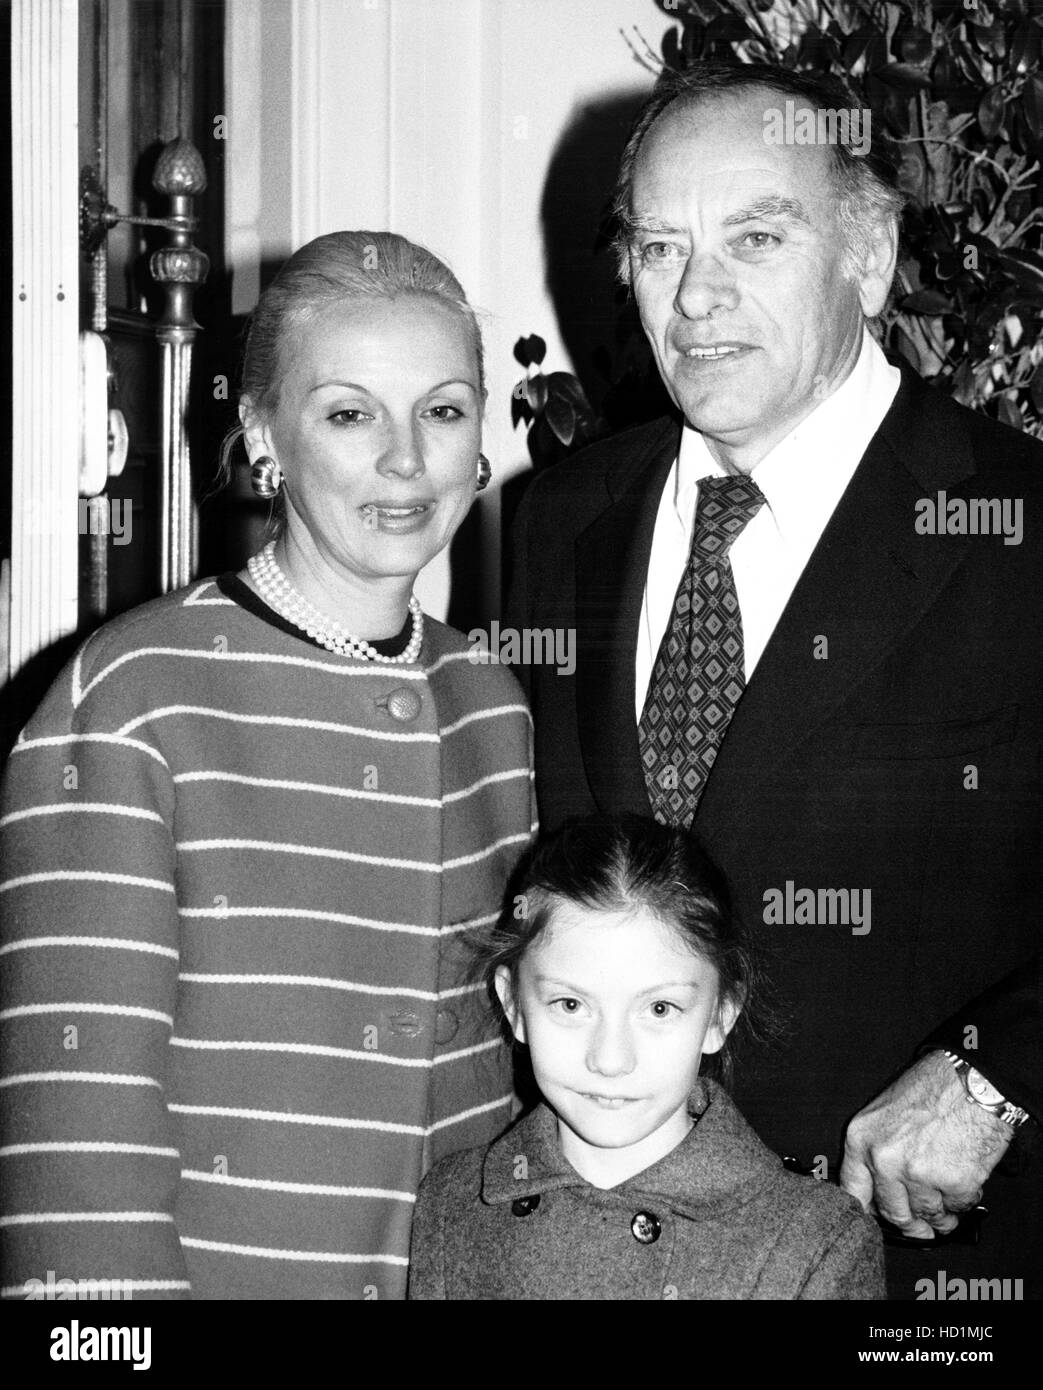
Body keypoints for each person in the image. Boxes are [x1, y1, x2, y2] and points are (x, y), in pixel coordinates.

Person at [504, 59, 1042, 1299]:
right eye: (655, 248)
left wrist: (995, 1072)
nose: (696, 295)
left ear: (865, 257)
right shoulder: (558, 518)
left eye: (755, 236)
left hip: (925, 1269)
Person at [0, 231, 535, 1301]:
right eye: (348, 413)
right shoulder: (133, 693)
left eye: (441, 410)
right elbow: (76, 1131)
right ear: (262, 436)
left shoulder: (492, 699)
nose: (404, 460)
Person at [408, 814, 884, 1299]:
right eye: (570, 1005)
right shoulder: (452, 1203)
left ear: (719, 1016)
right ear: (514, 1004)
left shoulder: (816, 1241)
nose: (611, 1060)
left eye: (659, 1008)